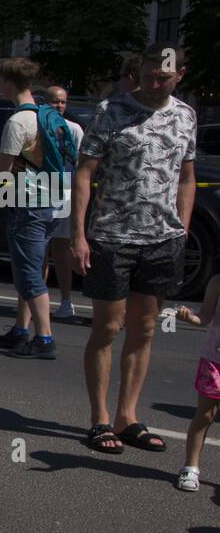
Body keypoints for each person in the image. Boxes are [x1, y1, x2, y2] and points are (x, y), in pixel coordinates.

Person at [71, 44, 197, 454]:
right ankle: (99, 419)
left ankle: (128, 416)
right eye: (146, 76)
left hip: (163, 239)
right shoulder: (111, 111)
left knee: (144, 329)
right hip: (113, 237)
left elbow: (186, 178)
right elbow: (85, 174)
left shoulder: (185, 116)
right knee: (107, 328)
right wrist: (79, 234)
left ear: (180, 74)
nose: (153, 84)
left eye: (162, 77)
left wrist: (183, 227)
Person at [0, 57, 66, 359]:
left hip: (28, 204)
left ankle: (44, 338)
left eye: (1, 82)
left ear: (10, 83)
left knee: (30, 275)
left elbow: (3, 171)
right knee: (30, 268)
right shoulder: (46, 114)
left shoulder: (17, 122)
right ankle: (21, 329)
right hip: (51, 199)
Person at [43, 86, 85, 320]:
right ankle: (38, 301)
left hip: (64, 193)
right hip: (39, 191)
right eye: (54, 102)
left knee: (61, 250)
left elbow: (81, 167)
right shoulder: (39, 126)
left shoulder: (74, 129)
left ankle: (66, 301)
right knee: (40, 249)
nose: (59, 106)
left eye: (62, 102)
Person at [174, 277, 220, 490]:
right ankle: (190, 467)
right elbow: (204, 316)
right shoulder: (217, 282)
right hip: (215, 360)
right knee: (205, 414)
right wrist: (189, 317)